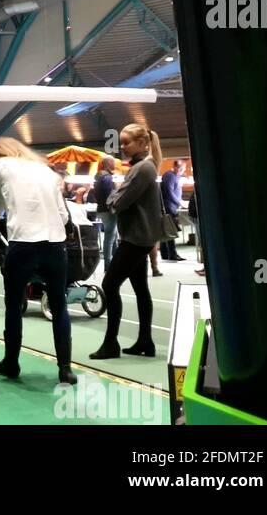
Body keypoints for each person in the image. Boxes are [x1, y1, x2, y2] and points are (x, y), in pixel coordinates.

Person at [0, 137, 77, 385]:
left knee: (14, 306)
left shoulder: (2, 165)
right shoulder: (44, 169)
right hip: (55, 245)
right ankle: (65, 370)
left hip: (23, 243)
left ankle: (11, 363)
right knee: (59, 307)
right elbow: (63, 214)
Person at [90, 125, 165, 360]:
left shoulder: (142, 169)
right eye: (121, 142)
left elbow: (117, 202)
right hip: (139, 237)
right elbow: (118, 197)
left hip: (135, 238)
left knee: (110, 284)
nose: (122, 147)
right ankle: (145, 341)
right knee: (141, 288)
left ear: (143, 143)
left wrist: (115, 195)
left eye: (127, 142)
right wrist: (116, 194)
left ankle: (111, 343)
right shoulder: (144, 167)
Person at [94, 155, 118, 270]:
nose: (115, 164)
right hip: (109, 210)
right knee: (110, 237)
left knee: (112, 236)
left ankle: (115, 261)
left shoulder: (98, 176)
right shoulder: (107, 177)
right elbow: (110, 197)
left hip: (101, 209)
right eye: (113, 162)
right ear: (108, 163)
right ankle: (108, 265)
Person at [160, 160, 187, 261]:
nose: (182, 171)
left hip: (171, 206)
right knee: (170, 231)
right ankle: (172, 254)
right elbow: (169, 192)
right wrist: (180, 203)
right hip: (169, 207)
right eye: (180, 169)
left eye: (183, 169)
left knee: (167, 231)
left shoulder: (175, 176)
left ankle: (166, 254)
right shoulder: (170, 176)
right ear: (175, 167)